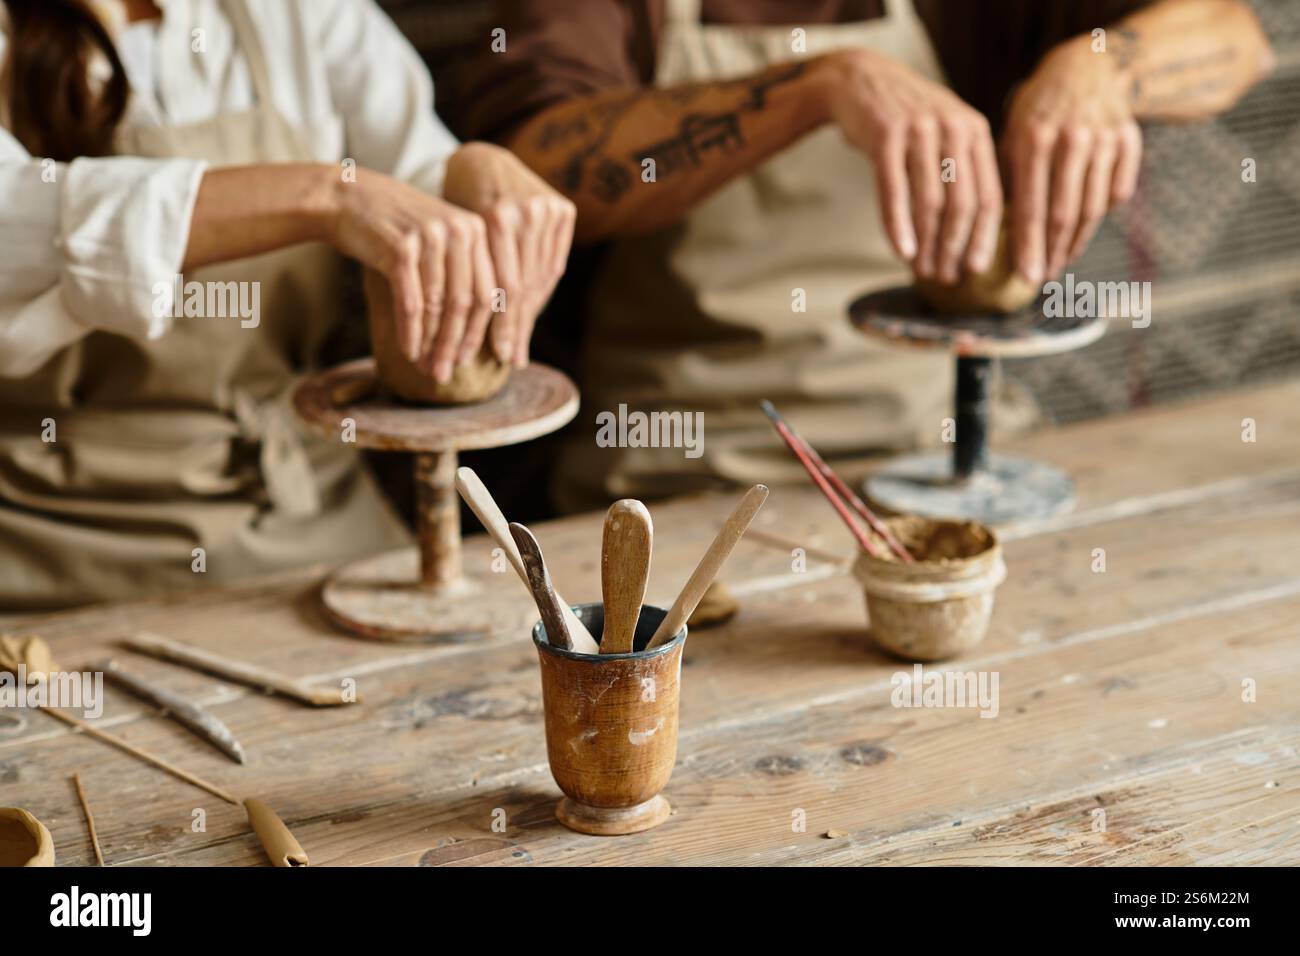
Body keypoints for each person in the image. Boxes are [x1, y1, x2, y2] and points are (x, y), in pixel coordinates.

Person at [453, 0, 1273, 510]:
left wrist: (1099, 66)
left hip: (941, 451)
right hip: (679, 479)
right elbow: (535, 170)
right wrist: (812, 90)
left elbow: (1238, 39)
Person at [0, 0, 576, 609]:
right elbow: (15, 224)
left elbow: (413, 168)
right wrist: (323, 196)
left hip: (296, 495)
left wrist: (470, 169)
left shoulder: (298, 11)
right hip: (58, 528)